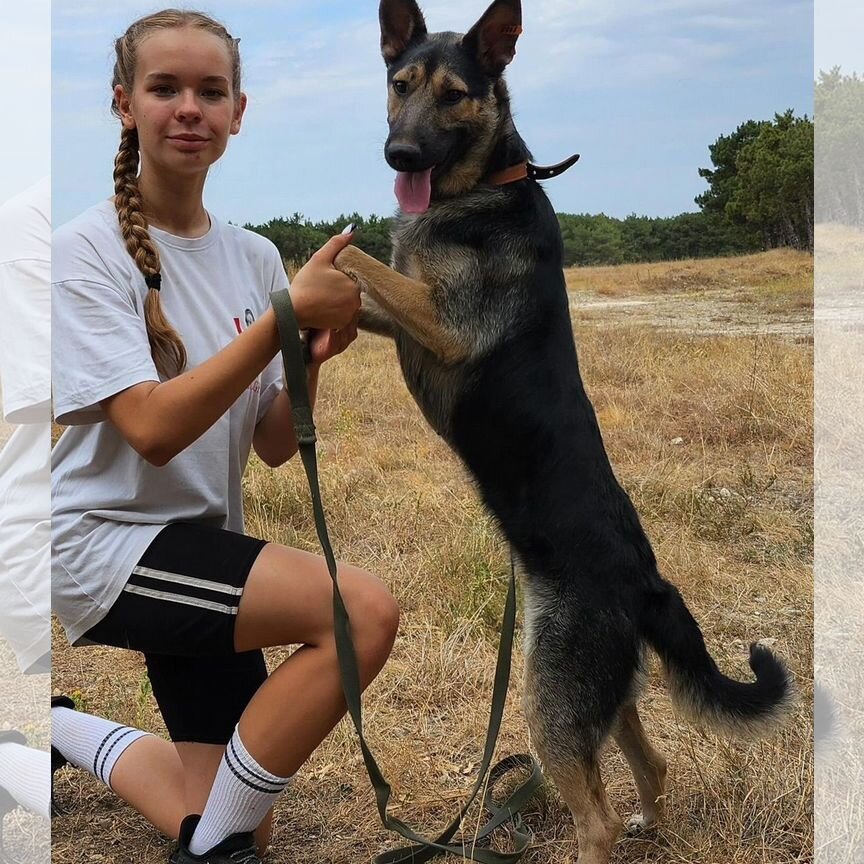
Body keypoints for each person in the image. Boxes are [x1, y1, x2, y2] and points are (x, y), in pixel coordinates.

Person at [50, 10, 399, 864]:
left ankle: (48, 732)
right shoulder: (84, 252)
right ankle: (211, 856)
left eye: (212, 91)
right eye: (165, 88)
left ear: (239, 112)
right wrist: (283, 318)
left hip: (196, 545)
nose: (189, 109)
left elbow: (275, 443)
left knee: (238, 812)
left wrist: (312, 354)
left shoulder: (254, 257)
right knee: (361, 612)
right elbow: (153, 429)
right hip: (100, 545)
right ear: (123, 103)